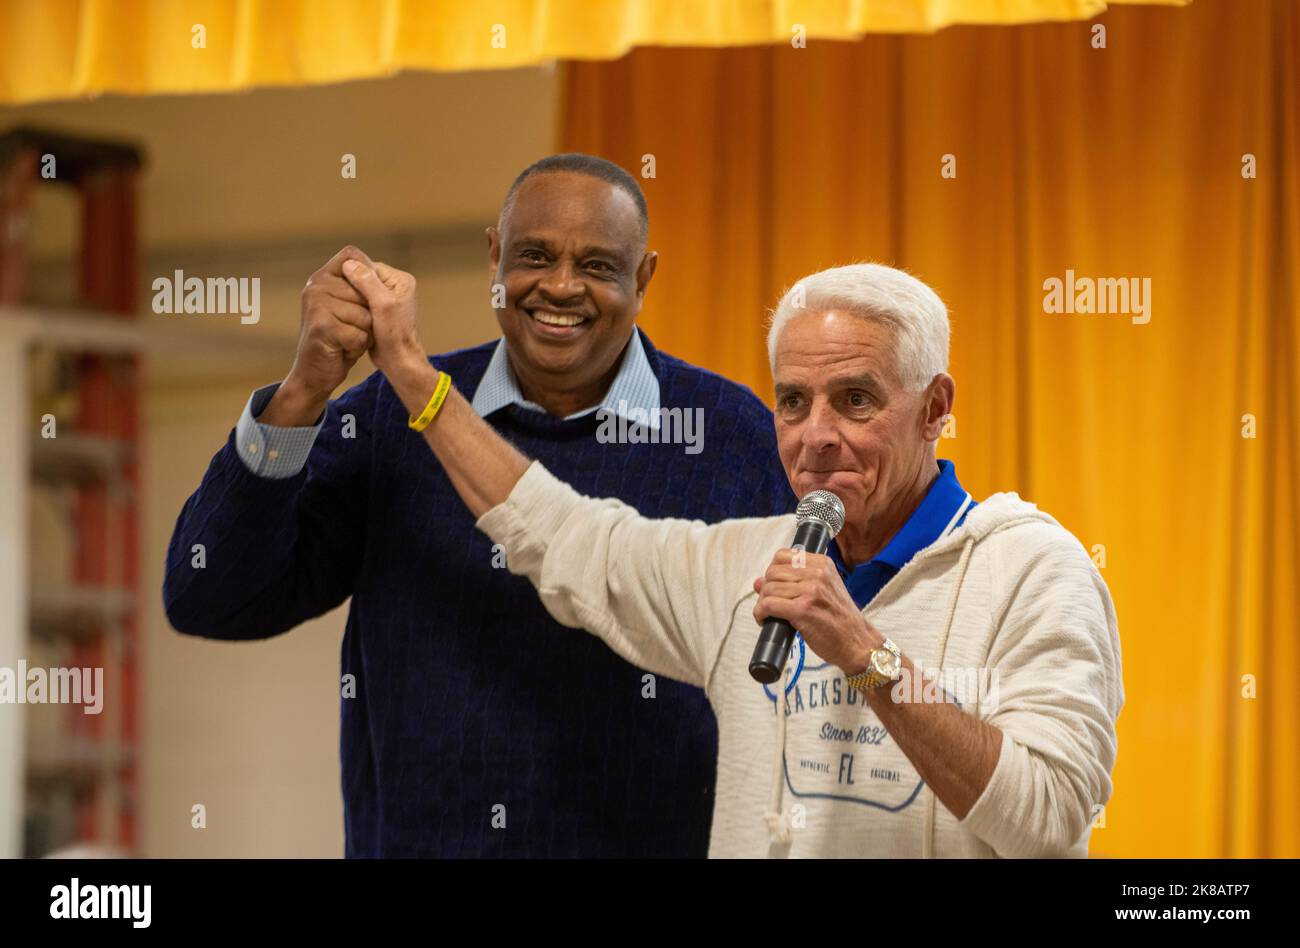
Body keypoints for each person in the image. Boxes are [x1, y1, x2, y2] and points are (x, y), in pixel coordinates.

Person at [342, 256, 1125, 857]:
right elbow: (563, 534)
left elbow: (1049, 815)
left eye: (855, 400)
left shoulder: (1032, 570)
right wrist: (415, 380)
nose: (815, 436)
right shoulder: (743, 566)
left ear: (935, 409)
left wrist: (863, 652)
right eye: (792, 402)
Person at [162, 154, 795, 857]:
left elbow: (802, 687)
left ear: (643, 278)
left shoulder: (735, 436)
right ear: (494, 256)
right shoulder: (383, 416)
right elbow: (210, 596)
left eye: (597, 266)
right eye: (534, 256)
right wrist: (301, 394)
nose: (560, 286)